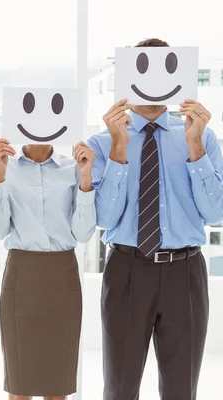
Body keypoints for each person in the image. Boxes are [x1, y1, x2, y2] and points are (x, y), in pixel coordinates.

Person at [87, 38, 223, 400]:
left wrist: (195, 148)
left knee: (181, 390)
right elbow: (103, 218)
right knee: (119, 387)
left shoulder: (202, 136)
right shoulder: (102, 143)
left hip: (186, 271)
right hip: (127, 268)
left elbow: (216, 214)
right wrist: (119, 148)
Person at [0, 139, 96, 400]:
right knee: (19, 383)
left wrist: (85, 180)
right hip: (20, 274)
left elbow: (83, 234)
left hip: (62, 274)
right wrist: (0, 176)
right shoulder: (5, 166)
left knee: (57, 385)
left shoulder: (72, 167)